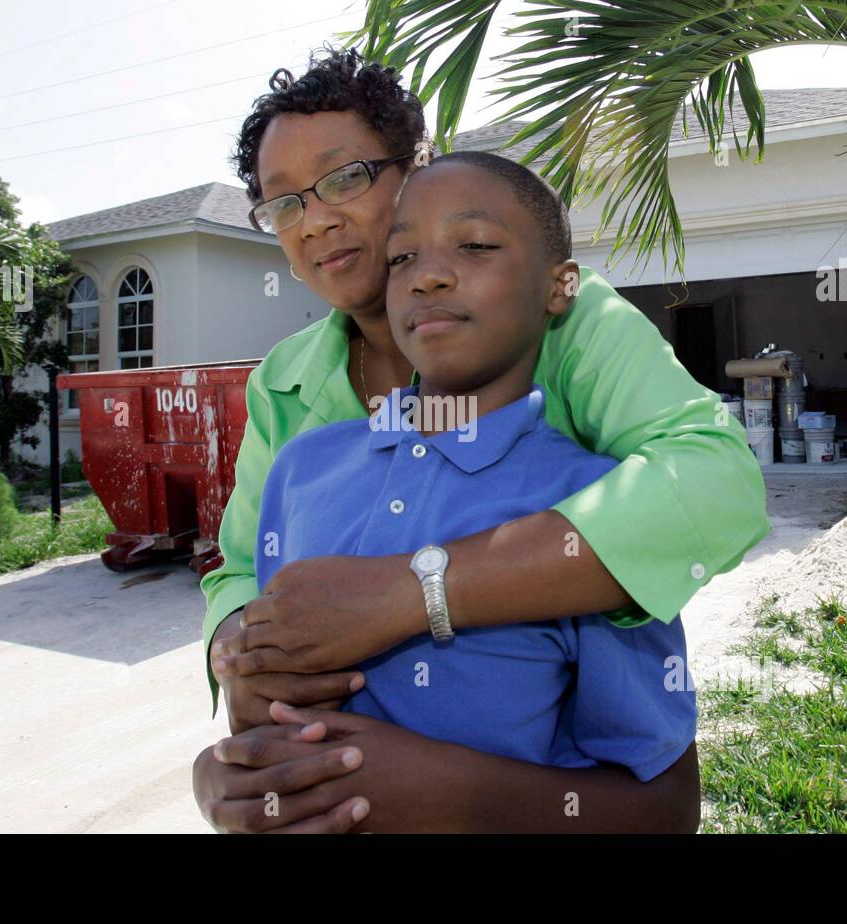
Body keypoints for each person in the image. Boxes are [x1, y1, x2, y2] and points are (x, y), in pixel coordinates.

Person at [194, 48, 768, 833]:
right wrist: (243, 664)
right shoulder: (288, 386)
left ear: (417, 167)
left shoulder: (559, 320)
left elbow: (714, 482)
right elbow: (237, 570)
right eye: (283, 204)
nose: (316, 218)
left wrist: (415, 593)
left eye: (344, 178)